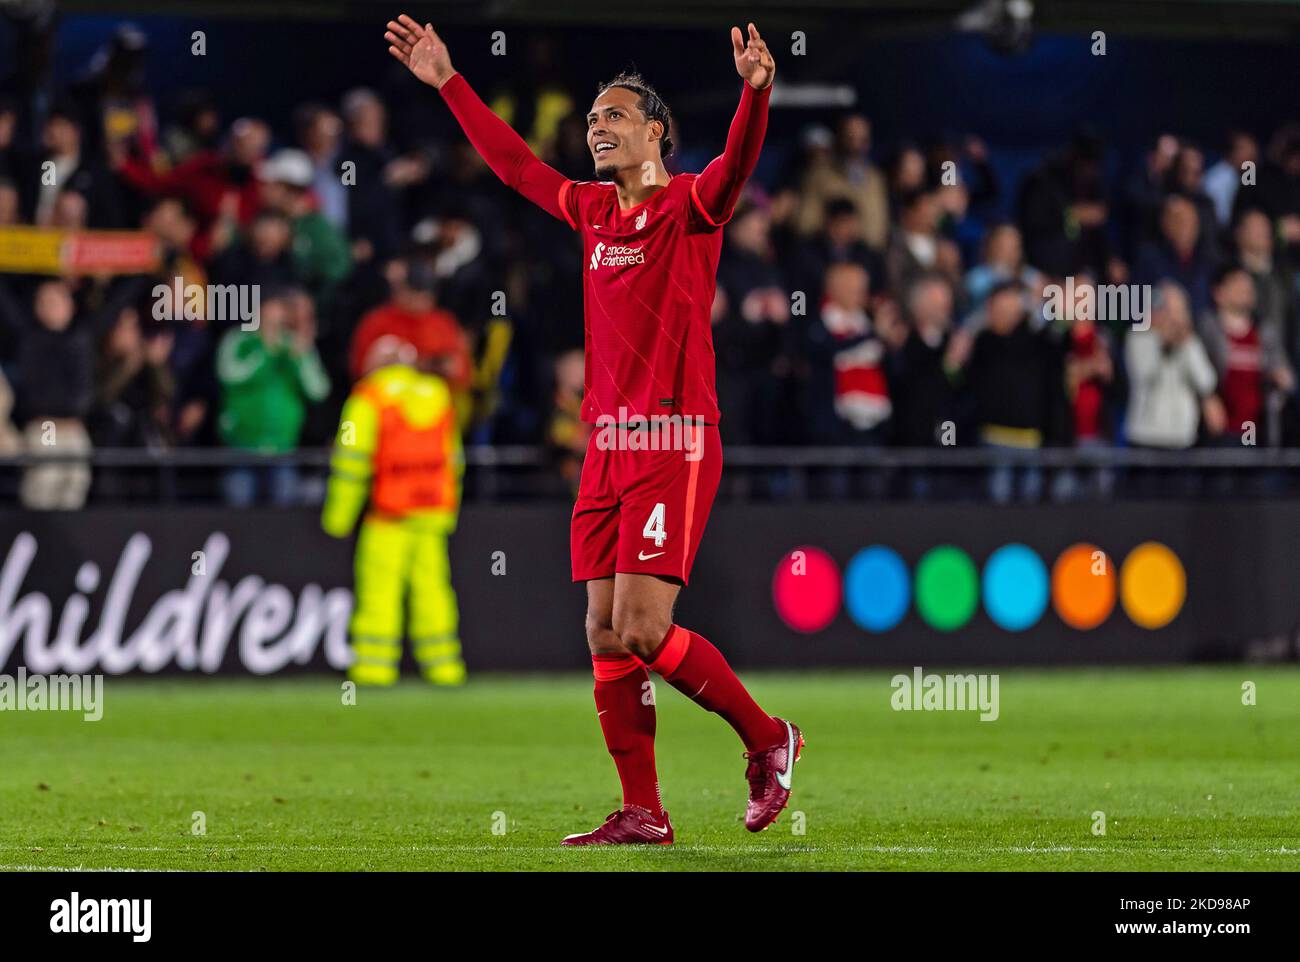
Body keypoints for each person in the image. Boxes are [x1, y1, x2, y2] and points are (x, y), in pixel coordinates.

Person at [385, 13, 800, 845]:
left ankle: (768, 738)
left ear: (656, 132)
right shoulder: (590, 210)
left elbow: (736, 165)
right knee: (607, 632)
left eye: (612, 117)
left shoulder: (690, 206)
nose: (595, 130)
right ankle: (642, 810)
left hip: (672, 441)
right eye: (590, 121)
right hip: (606, 447)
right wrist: (447, 82)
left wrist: (757, 96)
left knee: (645, 628)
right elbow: (512, 164)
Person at [322, 335, 466, 686]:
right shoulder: (437, 394)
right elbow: (454, 461)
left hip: (388, 514)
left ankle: (374, 669)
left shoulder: (369, 397)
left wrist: (338, 518)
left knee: (379, 592)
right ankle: (445, 668)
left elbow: (351, 461)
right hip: (431, 514)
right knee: (434, 592)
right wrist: (448, 512)